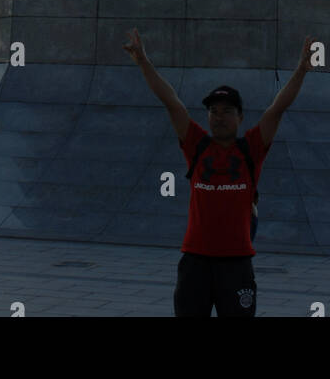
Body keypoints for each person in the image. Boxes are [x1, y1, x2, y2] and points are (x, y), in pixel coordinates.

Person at [124, 27, 313, 317]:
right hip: (195, 262)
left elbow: (277, 109)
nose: (219, 116)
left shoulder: (251, 148)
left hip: (236, 265)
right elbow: (171, 101)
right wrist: (143, 62)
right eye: (213, 111)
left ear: (240, 117)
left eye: (227, 111)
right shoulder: (196, 145)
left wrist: (301, 69)